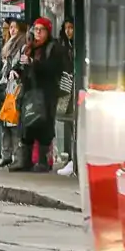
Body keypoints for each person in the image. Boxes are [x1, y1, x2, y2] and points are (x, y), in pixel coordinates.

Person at [11, 18, 57, 172]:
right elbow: (21, 65)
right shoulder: (28, 47)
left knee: (43, 125)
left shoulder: (52, 48)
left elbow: (53, 69)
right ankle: (25, 160)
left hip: (45, 93)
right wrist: (16, 70)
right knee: (26, 125)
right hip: (29, 91)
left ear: (47, 32)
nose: (37, 33)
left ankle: (43, 161)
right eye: (36, 29)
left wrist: (33, 63)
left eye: (41, 30)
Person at [0, 18, 25, 166]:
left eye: (15, 27)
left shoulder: (22, 45)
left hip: (15, 87)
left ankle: (16, 155)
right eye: (10, 27)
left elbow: (20, 65)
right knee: (4, 121)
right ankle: (5, 153)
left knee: (13, 122)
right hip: (5, 86)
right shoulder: (7, 45)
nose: (12, 30)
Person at [53, 18, 79, 173]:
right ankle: (70, 157)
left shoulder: (78, 46)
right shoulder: (62, 47)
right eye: (66, 28)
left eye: (72, 28)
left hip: (75, 88)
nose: (69, 31)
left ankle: (74, 159)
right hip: (66, 88)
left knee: (75, 124)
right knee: (68, 122)